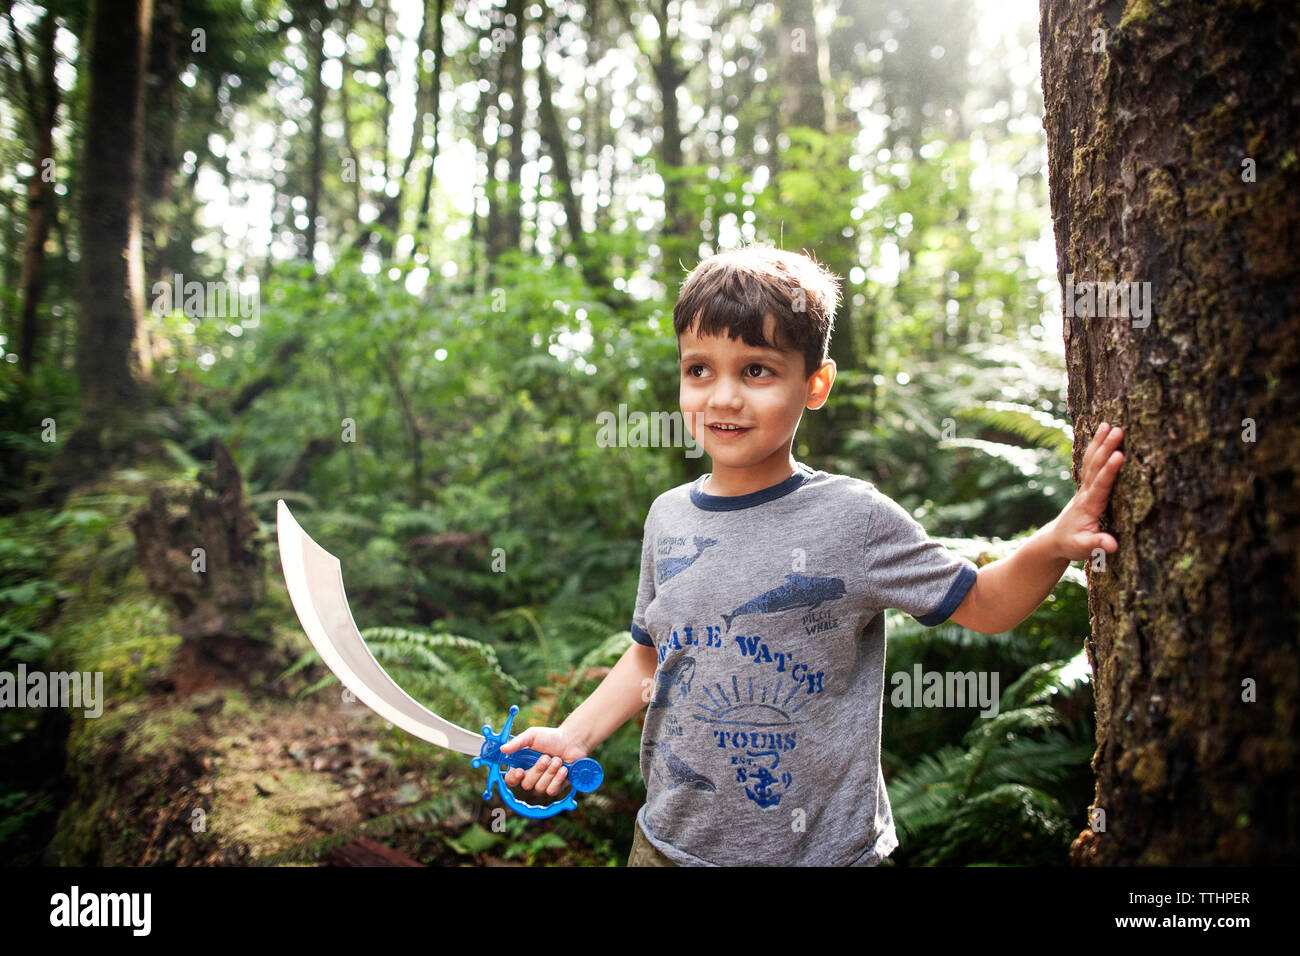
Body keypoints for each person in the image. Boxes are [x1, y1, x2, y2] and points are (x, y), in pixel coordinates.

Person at [500, 243, 1125, 866]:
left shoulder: (854, 518)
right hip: (668, 847)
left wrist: (1056, 541)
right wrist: (572, 737)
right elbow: (650, 654)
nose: (722, 397)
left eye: (756, 371)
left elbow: (988, 606)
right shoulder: (669, 517)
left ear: (815, 383)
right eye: (699, 369)